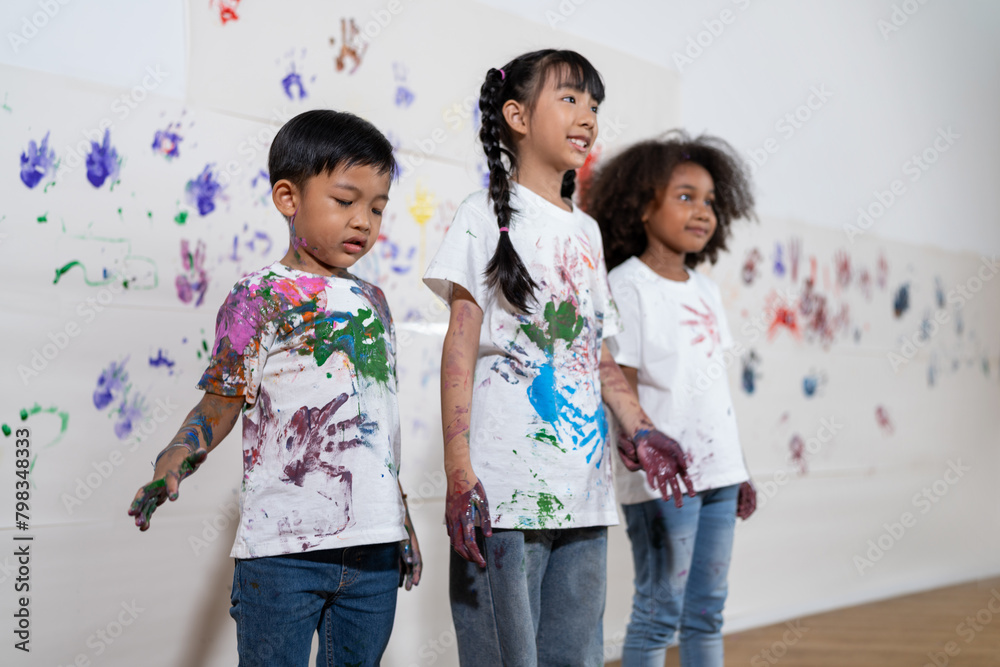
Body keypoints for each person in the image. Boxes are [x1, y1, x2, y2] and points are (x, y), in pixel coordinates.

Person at [423, 50, 694, 666]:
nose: (588, 116)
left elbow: (594, 356)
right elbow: (459, 346)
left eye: (594, 105)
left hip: (584, 492)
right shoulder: (481, 215)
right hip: (504, 493)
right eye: (570, 99)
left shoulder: (589, 233)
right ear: (516, 115)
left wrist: (642, 428)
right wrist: (459, 469)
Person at [127, 109, 421, 667]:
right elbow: (221, 399)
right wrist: (176, 456)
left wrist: (401, 522)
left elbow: (381, 433)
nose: (364, 220)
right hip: (283, 554)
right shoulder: (258, 298)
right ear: (289, 198)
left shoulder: (374, 303)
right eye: (345, 200)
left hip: (374, 555)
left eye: (378, 208)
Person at [584, 131, 758, 666]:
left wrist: (740, 467)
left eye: (709, 201)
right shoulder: (627, 286)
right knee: (661, 611)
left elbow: (712, 392)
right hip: (666, 479)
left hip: (719, 475)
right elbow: (622, 385)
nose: (702, 210)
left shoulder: (705, 290)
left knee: (707, 611)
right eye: (686, 196)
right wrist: (635, 448)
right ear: (640, 206)